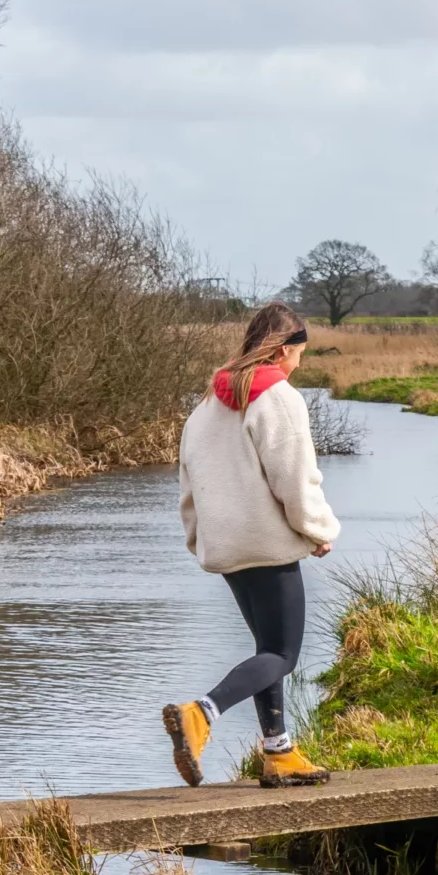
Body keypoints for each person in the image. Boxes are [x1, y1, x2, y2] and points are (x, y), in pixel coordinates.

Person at [163, 301, 341, 789]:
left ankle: (279, 752)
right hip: (266, 544)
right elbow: (295, 477)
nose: (300, 362)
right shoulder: (279, 399)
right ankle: (200, 713)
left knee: (266, 649)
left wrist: (201, 539)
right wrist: (318, 530)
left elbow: (188, 484)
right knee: (283, 654)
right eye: (299, 353)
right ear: (284, 350)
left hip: (227, 548)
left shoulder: (205, 405)